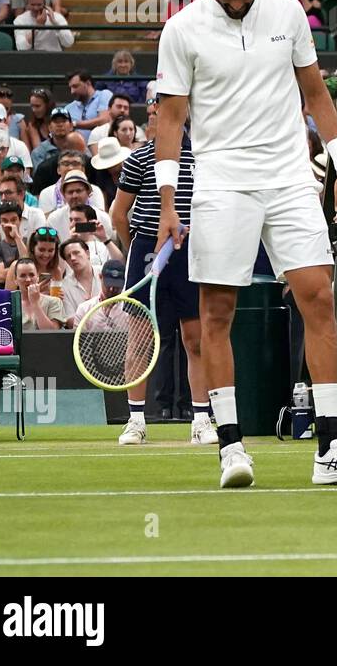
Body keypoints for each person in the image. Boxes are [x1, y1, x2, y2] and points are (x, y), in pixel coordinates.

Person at [154, 0, 337, 488]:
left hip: (288, 177)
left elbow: (317, 96)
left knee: (320, 297)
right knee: (217, 313)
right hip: (222, 181)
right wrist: (166, 201)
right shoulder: (181, 28)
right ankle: (231, 448)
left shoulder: (288, 11)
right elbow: (170, 118)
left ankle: (332, 447)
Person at [109, 120, 215, 445]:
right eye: (157, 106)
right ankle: (136, 421)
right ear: (152, 114)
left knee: (196, 340)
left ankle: (201, 420)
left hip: (192, 252)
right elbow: (119, 213)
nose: (163, 115)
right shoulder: (140, 158)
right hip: (147, 251)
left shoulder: (203, 156)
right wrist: (136, 250)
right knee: (140, 340)